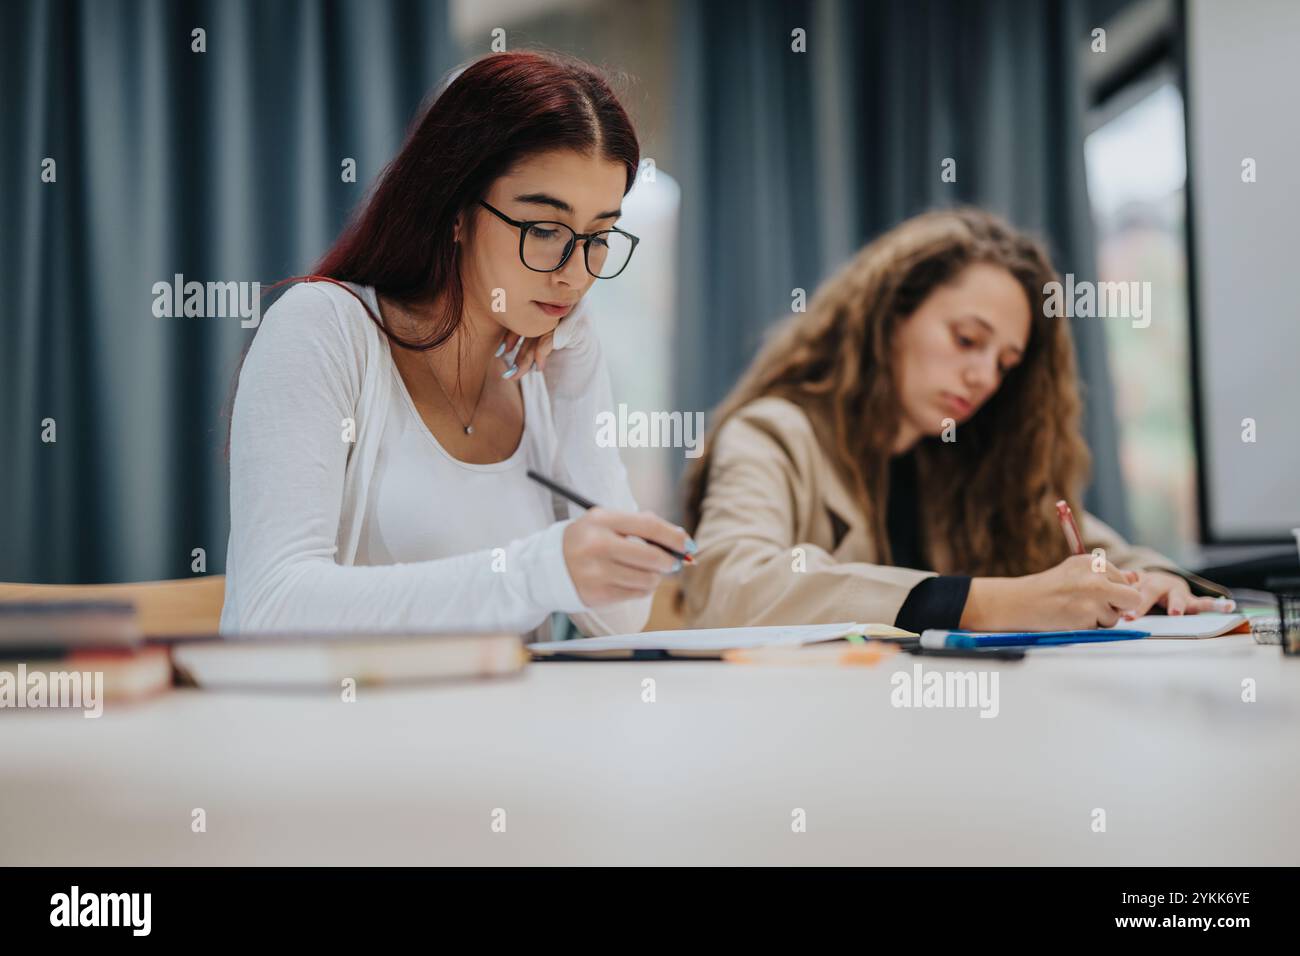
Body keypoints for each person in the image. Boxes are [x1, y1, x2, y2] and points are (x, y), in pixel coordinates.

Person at [220, 51, 691, 637]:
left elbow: (620, 618)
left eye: (599, 236)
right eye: (544, 230)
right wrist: (533, 572)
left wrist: (579, 367)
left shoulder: (552, 361)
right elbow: (272, 609)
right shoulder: (322, 327)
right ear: (456, 209)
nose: (575, 275)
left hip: (512, 726)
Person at [681, 208, 1231, 632]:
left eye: (1004, 364)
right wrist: (987, 602)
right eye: (967, 340)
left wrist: (1151, 583)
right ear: (890, 315)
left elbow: (1106, 553)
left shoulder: (972, 459)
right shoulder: (774, 434)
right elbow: (729, 587)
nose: (984, 377)